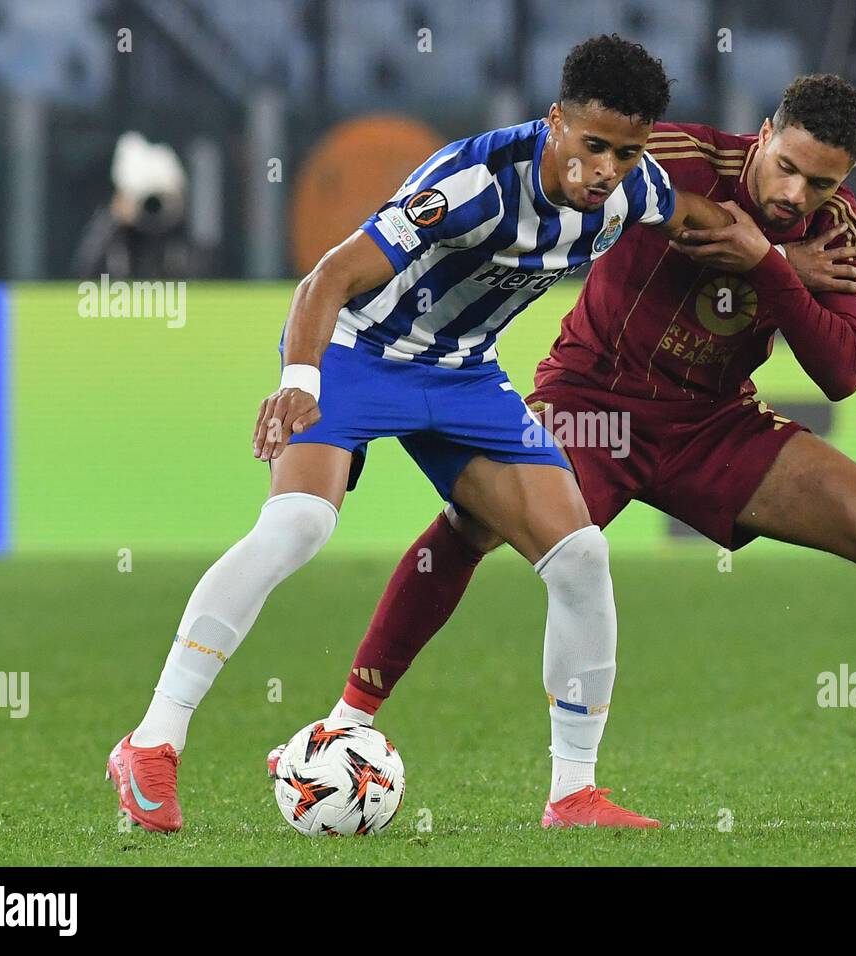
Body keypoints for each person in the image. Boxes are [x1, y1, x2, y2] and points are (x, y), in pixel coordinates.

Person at [324, 74, 856, 825]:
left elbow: (841, 371)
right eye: (787, 166)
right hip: (593, 404)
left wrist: (769, 265)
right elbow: (571, 177)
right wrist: (776, 271)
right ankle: (349, 719)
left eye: (823, 182)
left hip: (714, 425)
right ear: (763, 133)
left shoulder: (835, 228)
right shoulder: (674, 156)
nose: (797, 194)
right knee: (470, 527)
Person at [107, 34, 733, 832]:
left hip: (465, 374)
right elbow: (327, 277)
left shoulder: (632, 189)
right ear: (554, 124)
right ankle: (152, 743)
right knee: (298, 523)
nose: (605, 169)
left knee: (580, 555)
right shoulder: (472, 184)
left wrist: (786, 264)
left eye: (627, 151)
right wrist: (300, 382)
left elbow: (702, 222)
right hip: (357, 353)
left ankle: (573, 794)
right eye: (593, 145)